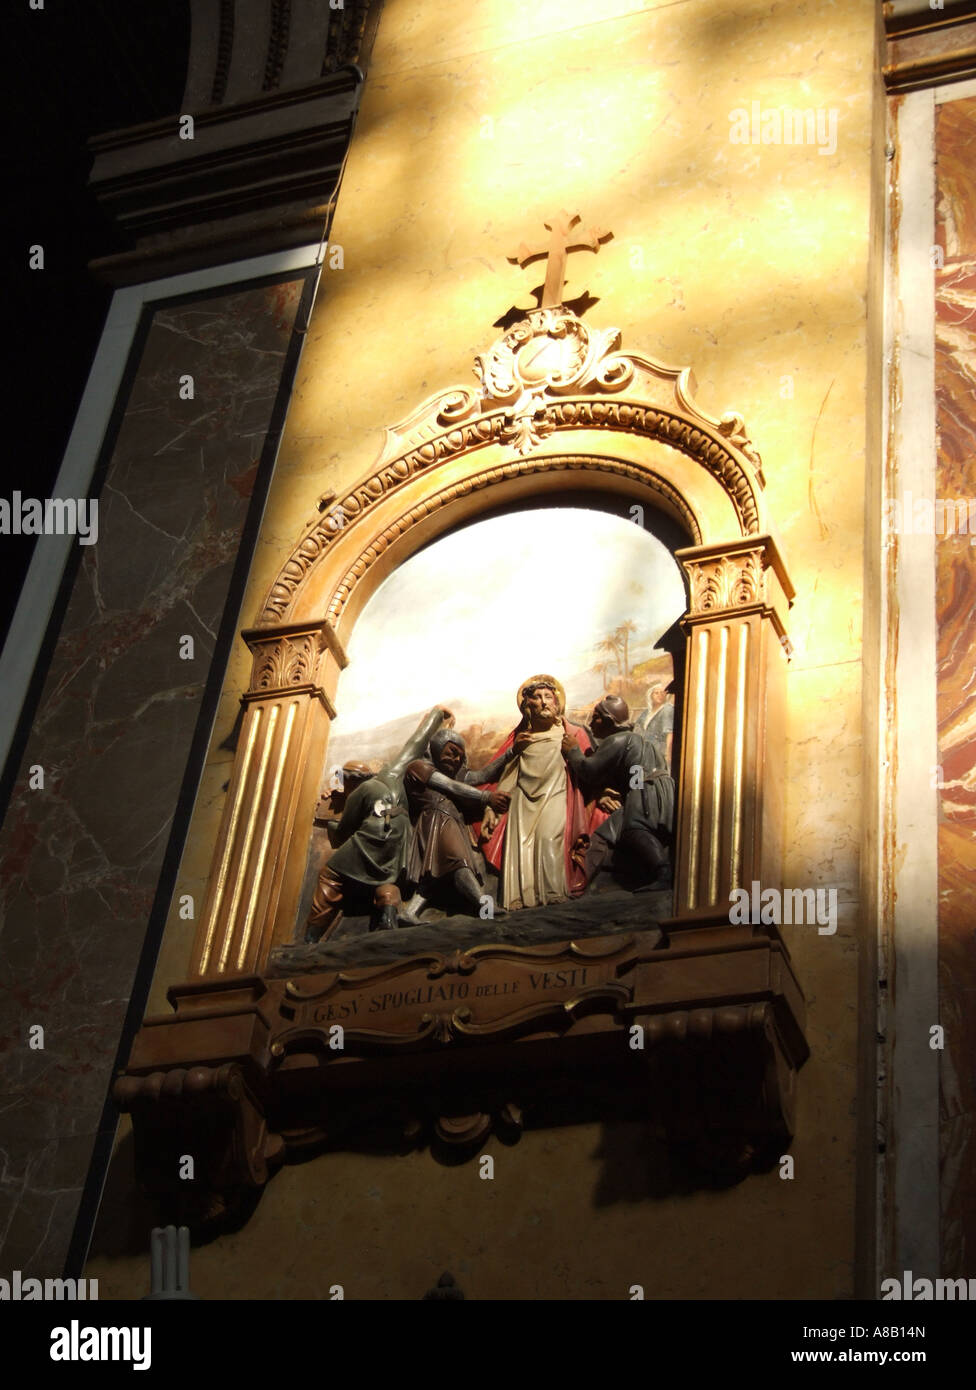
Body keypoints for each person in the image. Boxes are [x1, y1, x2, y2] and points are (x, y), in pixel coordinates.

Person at [306, 706, 453, 942]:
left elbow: (343, 834)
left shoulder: (359, 793)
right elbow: (415, 744)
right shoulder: (392, 775)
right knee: (387, 880)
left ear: (350, 781)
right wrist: (437, 716)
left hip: (374, 834)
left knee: (330, 875)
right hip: (400, 839)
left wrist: (331, 822)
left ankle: (310, 939)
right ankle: (388, 921)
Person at [479, 675, 592, 910]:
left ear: (557, 702)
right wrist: (493, 807)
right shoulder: (522, 740)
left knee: (549, 838)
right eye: (536, 698)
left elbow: (589, 767)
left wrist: (603, 790)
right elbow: (509, 774)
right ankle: (519, 898)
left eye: (548, 697)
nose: (543, 702)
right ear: (527, 706)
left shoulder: (571, 734)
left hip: (556, 794)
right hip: (523, 799)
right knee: (521, 845)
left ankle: (553, 894)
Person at [399, 728, 513, 923]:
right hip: (438, 819)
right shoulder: (419, 767)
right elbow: (451, 786)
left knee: (432, 875)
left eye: (460, 756)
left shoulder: (453, 774)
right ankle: (485, 906)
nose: (455, 759)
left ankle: (409, 912)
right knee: (460, 863)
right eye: (451, 751)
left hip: (449, 821)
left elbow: (482, 776)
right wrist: (487, 797)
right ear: (437, 747)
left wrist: (510, 753)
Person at [562, 694, 674, 890]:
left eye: (596, 717)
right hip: (657, 788)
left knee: (634, 829)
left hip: (645, 788)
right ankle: (581, 882)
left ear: (608, 720)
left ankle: (663, 872)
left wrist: (573, 751)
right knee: (610, 832)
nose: (591, 722)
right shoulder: (637, 740)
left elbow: (589, 770)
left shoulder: (617, 740)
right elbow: (634, 771)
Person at [635, 680, 674, 770]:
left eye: (662, 693)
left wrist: (668, 754)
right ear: (651, 695)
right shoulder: (647, 712)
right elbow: (637, 727)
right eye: (656, 693)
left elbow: (670, 733)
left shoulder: (667, 709)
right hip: (646, 750)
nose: (660, 695)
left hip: (659, 751)